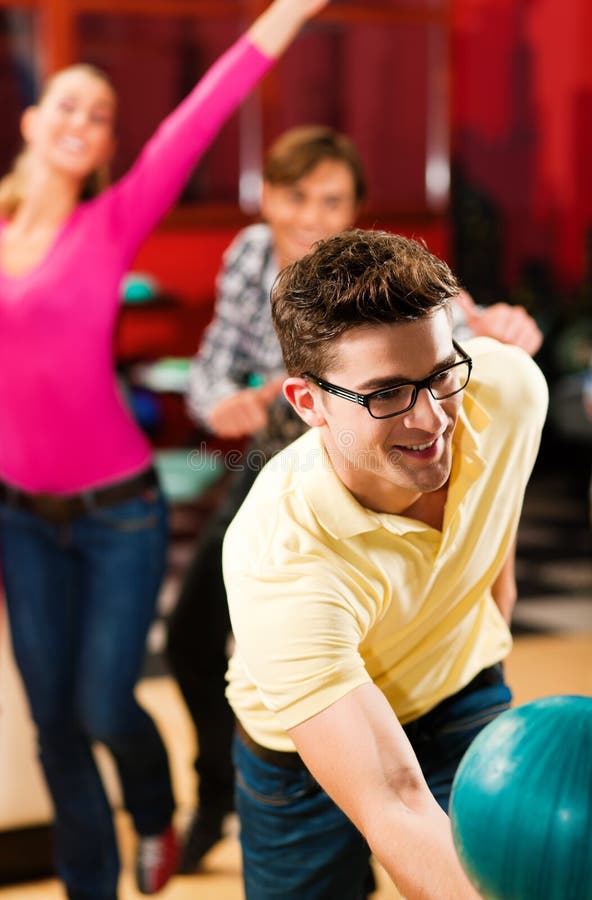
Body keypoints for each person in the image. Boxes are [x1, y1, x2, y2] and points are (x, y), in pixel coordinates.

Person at [0, 2, 329, 899]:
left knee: (106, 705)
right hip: (20, 518)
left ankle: (153, 812)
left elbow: (206, 110)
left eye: (101, 114)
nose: (83, 121)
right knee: (54, 727)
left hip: (120, 513)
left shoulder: (109, 224)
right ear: (31, 120)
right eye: (67, 104)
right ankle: (90, 888)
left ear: (107, 145)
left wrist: (288, 15)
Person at [167, 125, 543, 873]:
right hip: (292, 745)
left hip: (457, 689)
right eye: (388, 392)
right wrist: (224, 410)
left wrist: (484, 640)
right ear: (308, 398)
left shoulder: (504, 391)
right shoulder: (277, 553)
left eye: (441, 374)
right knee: (193, 633)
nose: (433, 416)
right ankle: (210, 800)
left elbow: (488, 516)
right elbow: (394, 798)